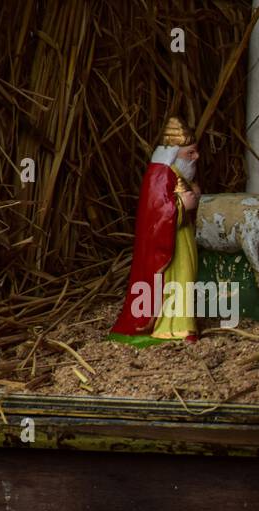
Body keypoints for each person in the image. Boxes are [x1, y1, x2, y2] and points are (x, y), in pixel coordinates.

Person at [112, 117, 203, 343]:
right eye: (189, 154)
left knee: (185, 278)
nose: (196, 157)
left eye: (195, 152)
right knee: (176, 280)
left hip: (181, 239)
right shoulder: (160, 175)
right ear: (175, 154)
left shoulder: (177, 174)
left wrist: (192, 198)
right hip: (169, 244)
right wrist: (182, 206)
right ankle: (171, 327)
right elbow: (156, 214)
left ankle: (182, 325)